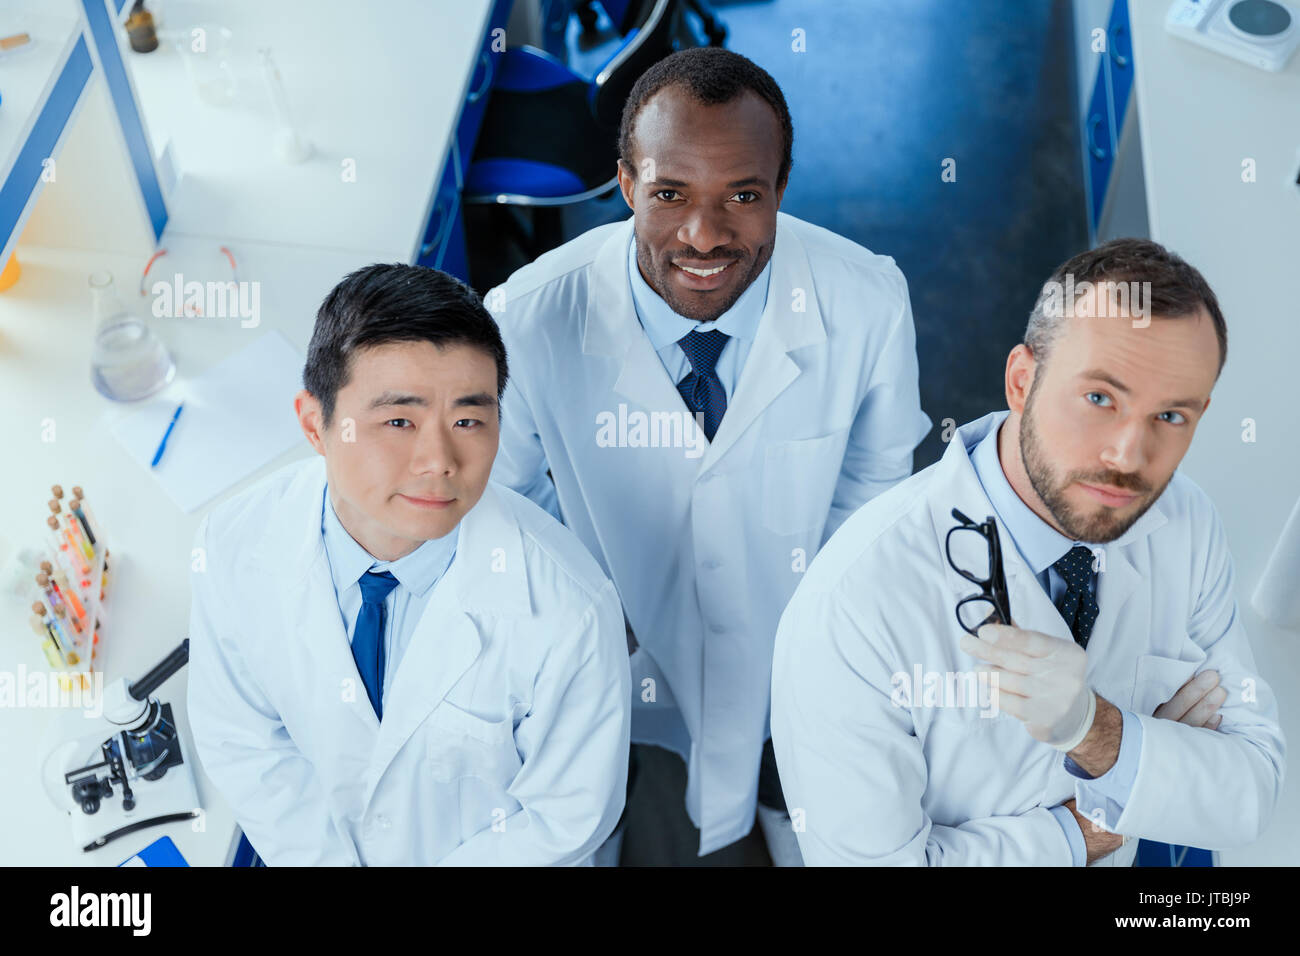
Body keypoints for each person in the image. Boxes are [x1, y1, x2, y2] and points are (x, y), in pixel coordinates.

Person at [487, 47, 930, 862]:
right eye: (667, 194)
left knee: (786, 778)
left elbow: (876, 483)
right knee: (598, 796)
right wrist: (582, 604)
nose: (704, 235)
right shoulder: (525, 319)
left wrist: (816, 620)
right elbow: (505, 502)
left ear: (780, 189)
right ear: (624, 186)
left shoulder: (865, 300)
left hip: (791, 641)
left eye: (743, 195)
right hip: (610, 643)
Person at [771, 238, 1285, 865]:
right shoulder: (854, 603)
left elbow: (1252, 790)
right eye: (1100, 398)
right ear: (1022, 380)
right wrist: (1112, 808)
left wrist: (1095, 732)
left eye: (1170, 416)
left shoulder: (1184, 520)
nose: (1128, 456)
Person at [188, 264, 631, 865]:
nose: (439, 460)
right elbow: (242, 739)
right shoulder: (235, 542)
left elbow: (566, 818)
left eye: (468, 420)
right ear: (315, 424)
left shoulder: (571, 610)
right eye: (399, 421)